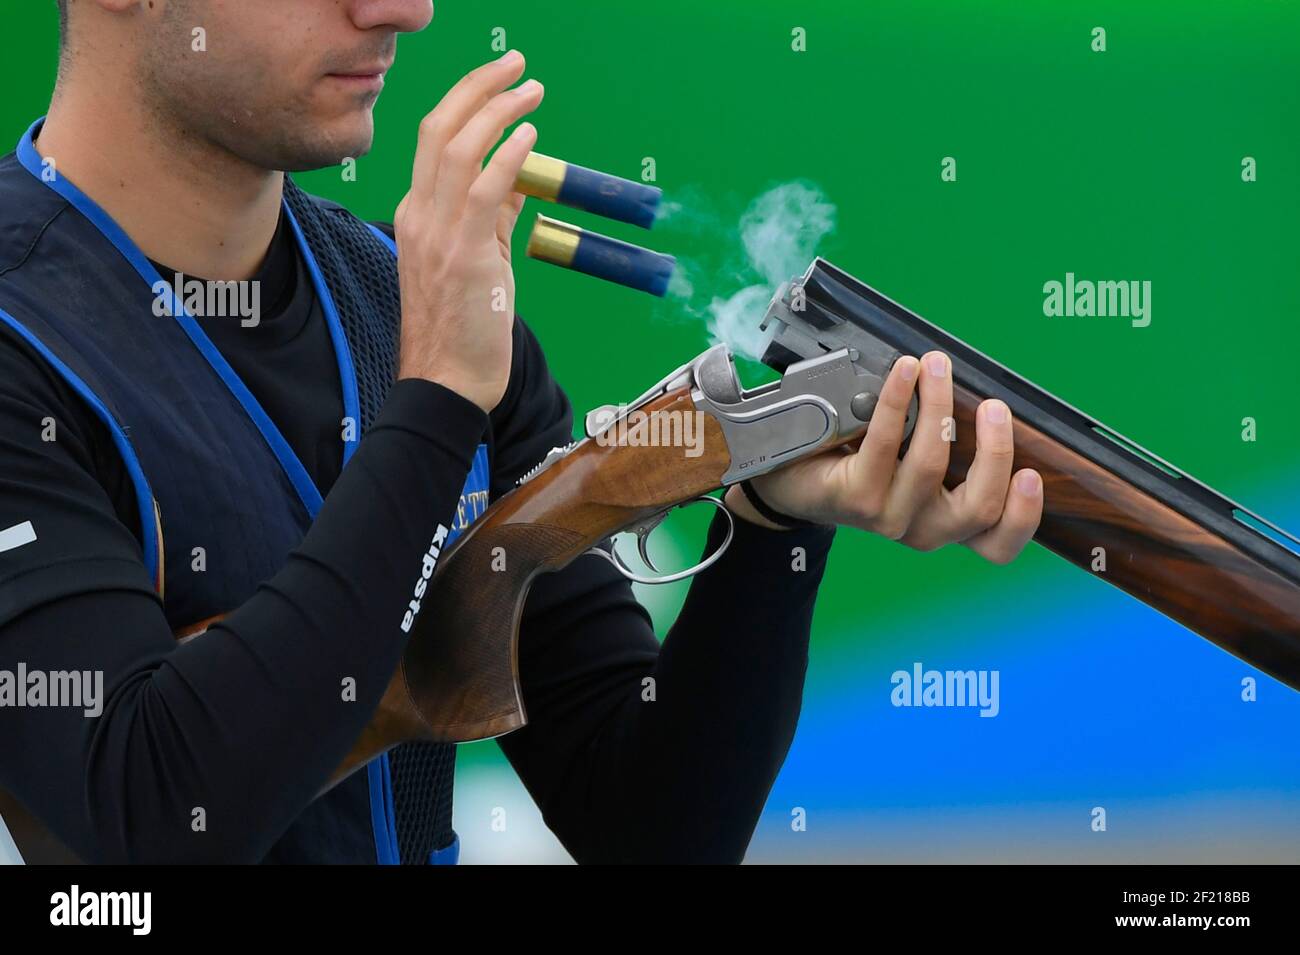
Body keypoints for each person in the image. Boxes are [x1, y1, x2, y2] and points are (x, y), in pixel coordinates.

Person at [0, 0, 1043, 864]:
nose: (401, 9)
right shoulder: (23, 341)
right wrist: (439, 399)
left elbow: (650, 832)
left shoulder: (406, 300)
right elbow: (149, 816)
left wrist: (769, 519)